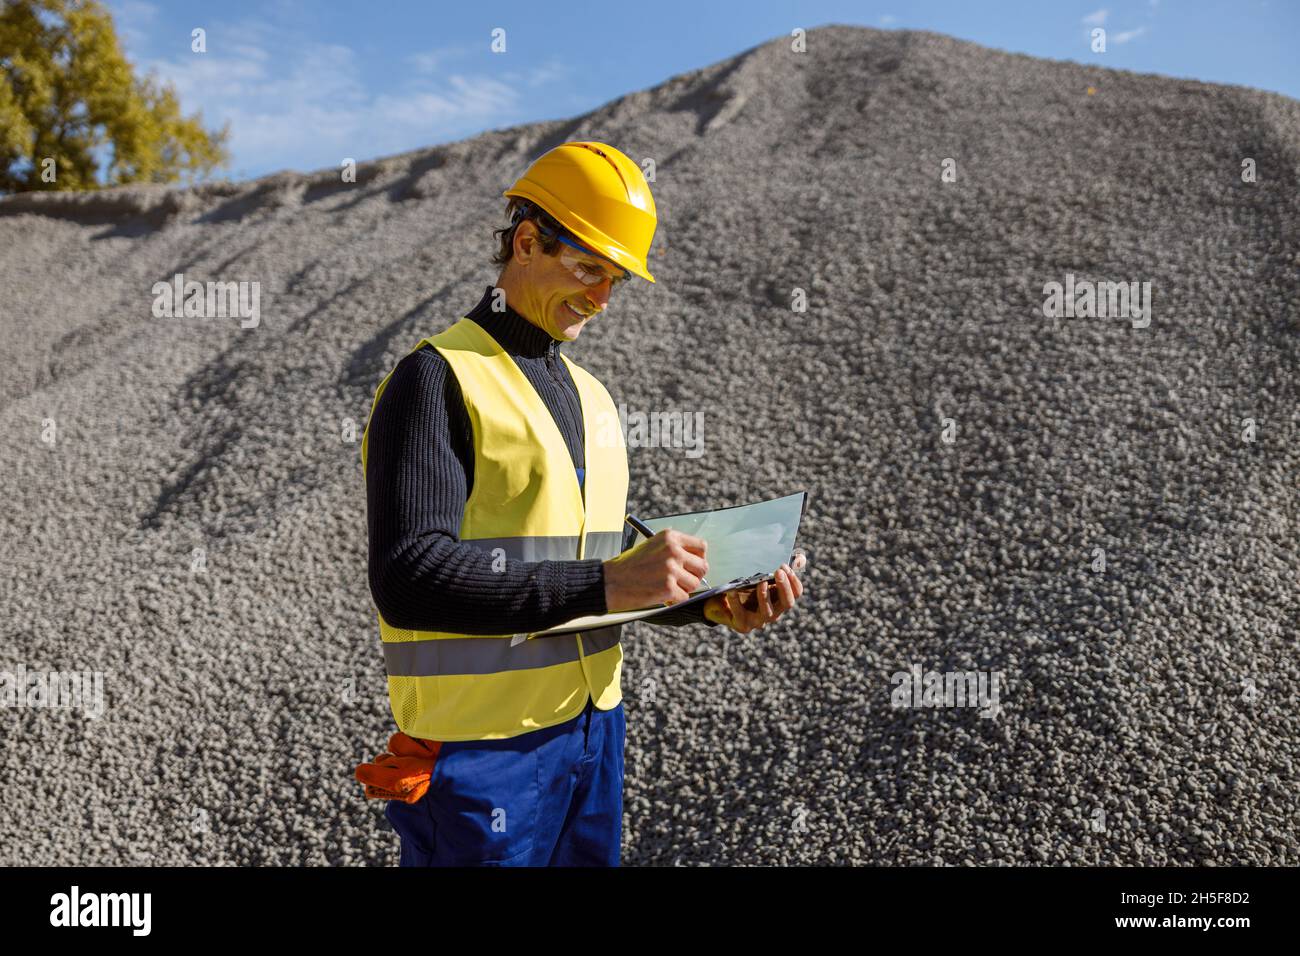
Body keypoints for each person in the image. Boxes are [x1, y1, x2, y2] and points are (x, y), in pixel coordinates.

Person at [357, 141, 806, 866]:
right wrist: (609, 581)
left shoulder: (593, 399)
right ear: (527, 241)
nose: (602, 298)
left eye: (615, 279)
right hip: (481, 753)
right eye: (588, 269)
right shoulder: (437, 380)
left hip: (594, 735)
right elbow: (408, 577)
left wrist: (705, 600)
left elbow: (594, 573)